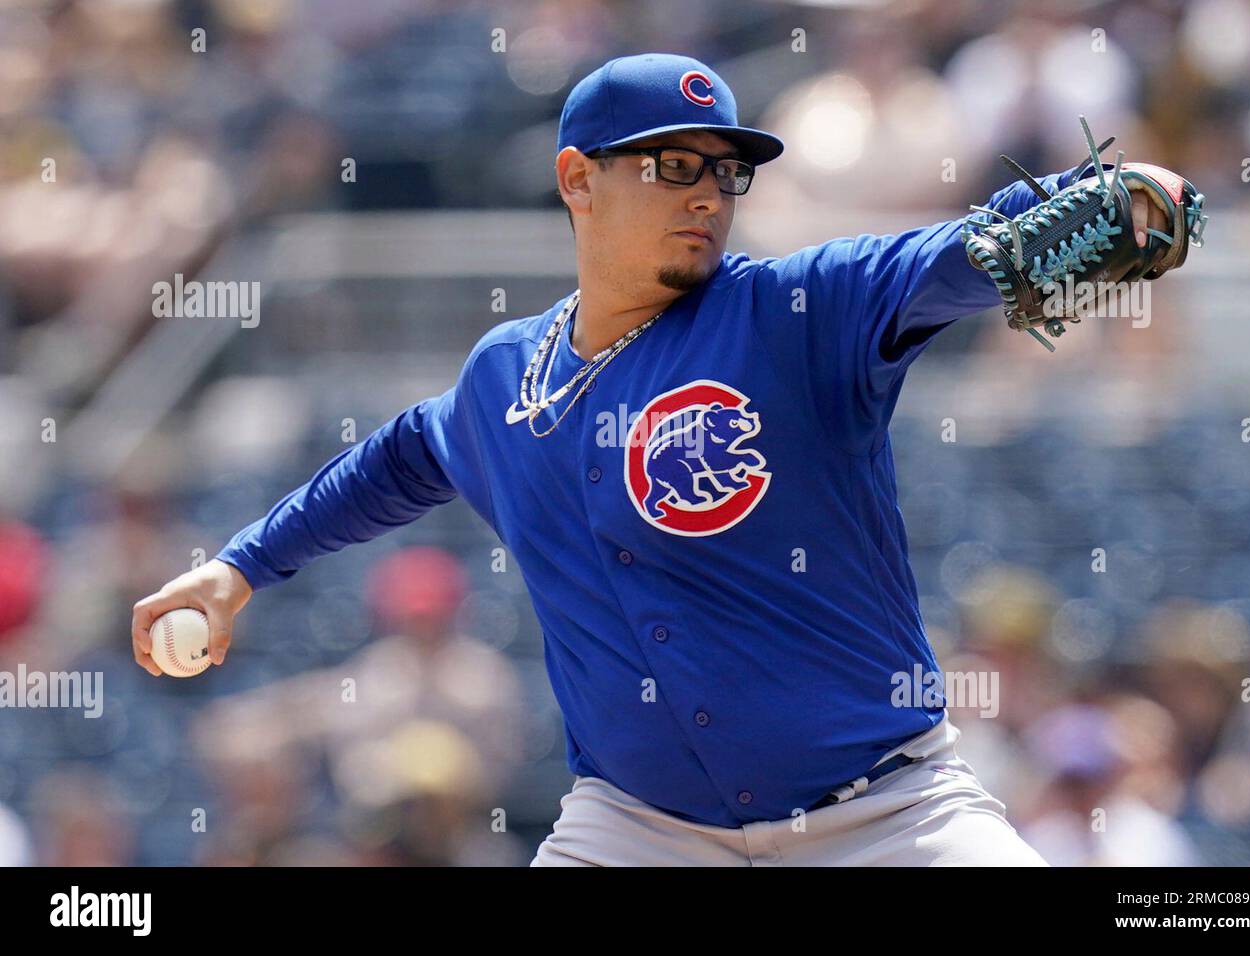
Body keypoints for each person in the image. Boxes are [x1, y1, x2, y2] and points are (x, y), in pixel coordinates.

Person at [133, 53, 1180, 866]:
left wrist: (1111, 194)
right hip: (641, 830)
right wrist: (238, 567)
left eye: (725, 172)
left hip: (885, 816)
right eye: (672, 164)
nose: (708, 194)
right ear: (576, 179)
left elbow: (948, 255)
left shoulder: (791, 310)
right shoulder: (508, 374)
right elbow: (400, 458)